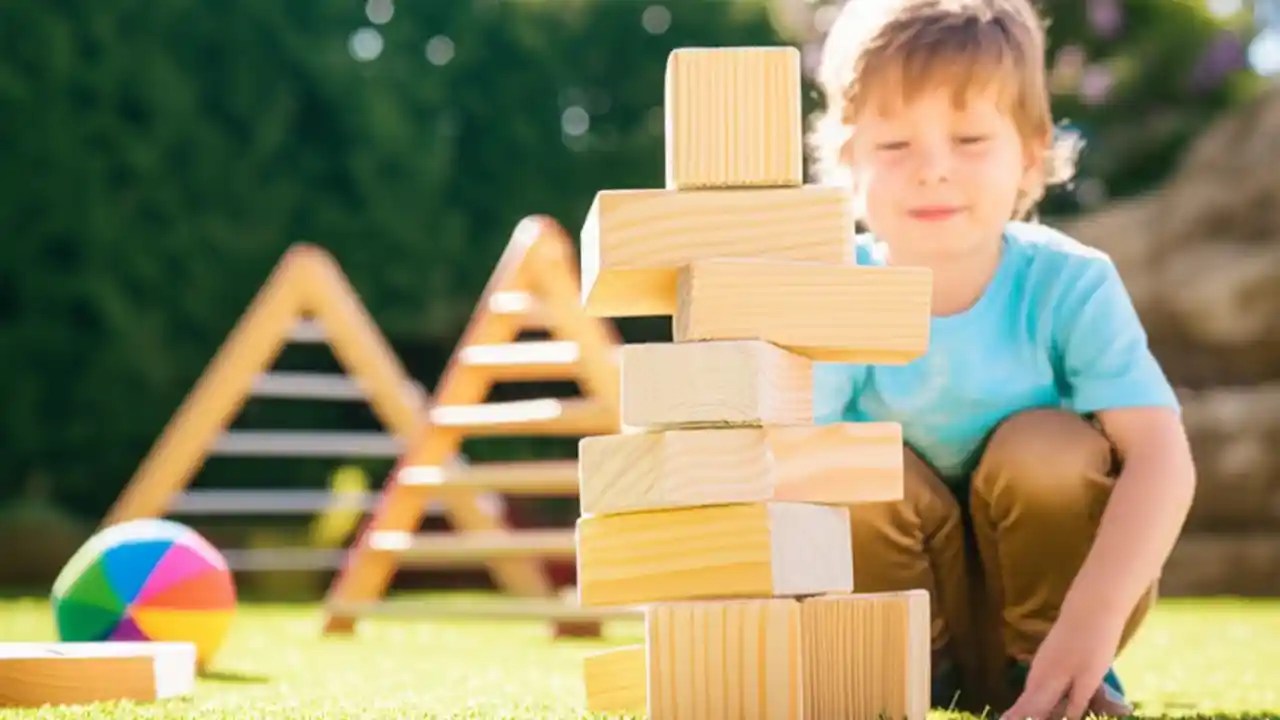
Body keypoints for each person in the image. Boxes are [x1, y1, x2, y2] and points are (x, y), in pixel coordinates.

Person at [806, 1, 1197, 718]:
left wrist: (1090, 629)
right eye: (895, 145)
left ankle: (1053, 682)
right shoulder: (833, 292)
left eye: (969, 137)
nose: (933, 171)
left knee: (1042, 447)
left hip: (1059, 616)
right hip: (904, 622)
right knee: (841, 464)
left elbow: (1163, 457)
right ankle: (909, 676)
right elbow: (781, 472)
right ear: (846, 158)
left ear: (1031, 151)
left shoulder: (1068, 283)